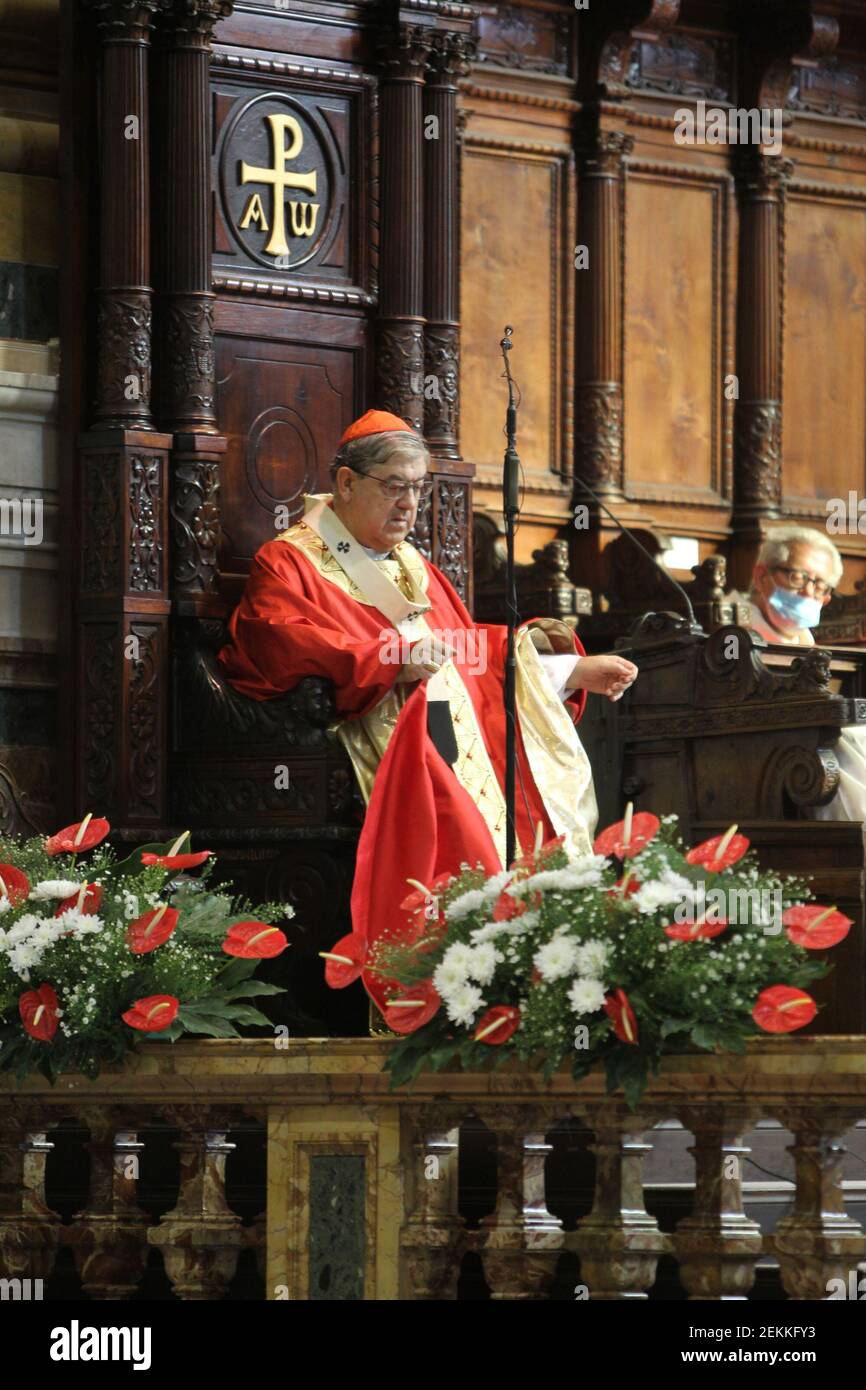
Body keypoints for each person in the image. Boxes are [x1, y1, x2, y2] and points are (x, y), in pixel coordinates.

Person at [217, 408, 637, 1010]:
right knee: (457, 812)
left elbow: (471, 655)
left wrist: (564, 669)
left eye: (418, 487)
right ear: (345, 484)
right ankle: (444, 981)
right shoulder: (289, 563)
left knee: (523, 789)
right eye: (394, 485)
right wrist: (389, 657)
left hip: (443, 722)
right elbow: (276, 640)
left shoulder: (416, 566)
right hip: (367, 728)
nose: (409, 503)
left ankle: (533, 973)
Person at [747, 523, 866, 820]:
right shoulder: (732, 636)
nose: (809, 592)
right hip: (757, 744)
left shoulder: (808, 643)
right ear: (762, 576)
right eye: (798, 576)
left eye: (821, 585)